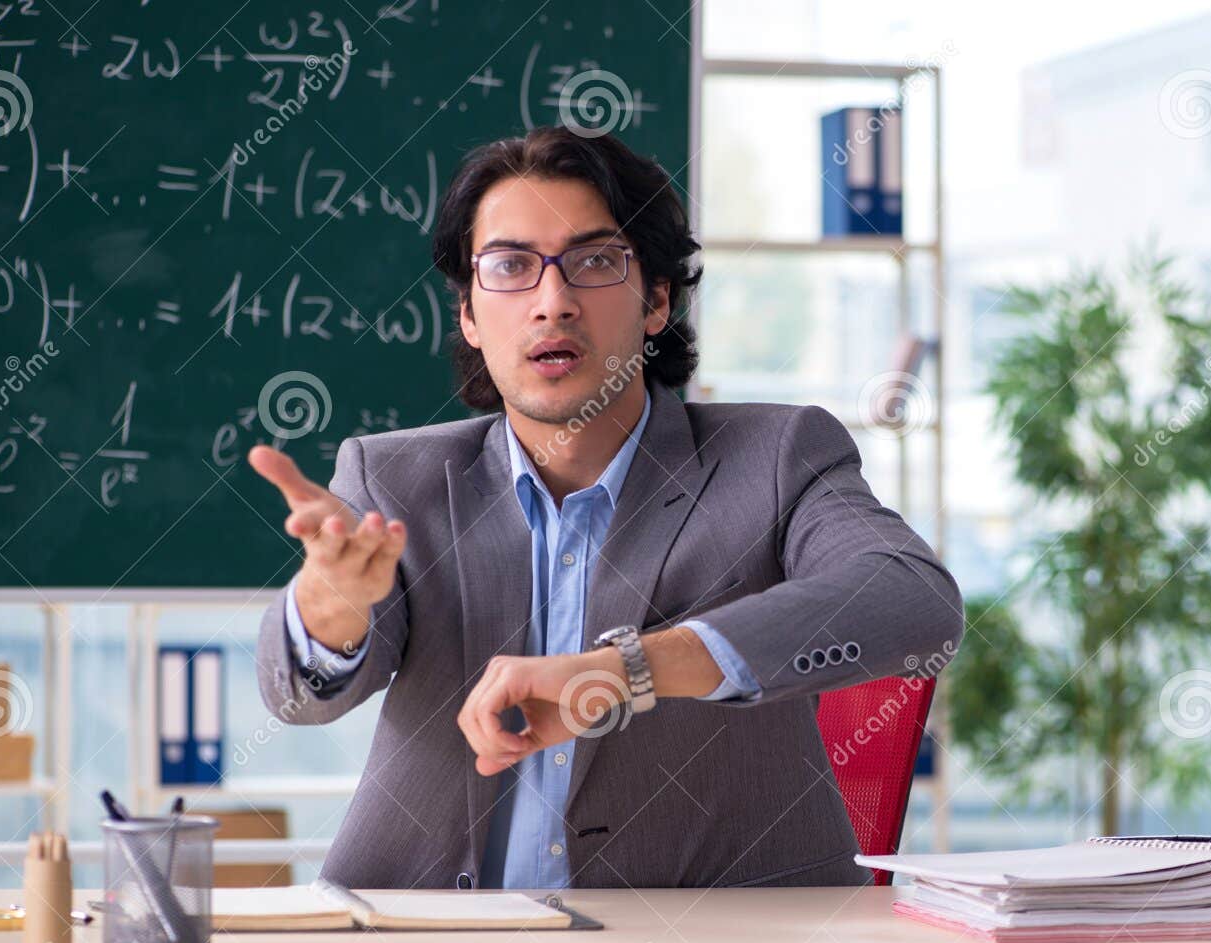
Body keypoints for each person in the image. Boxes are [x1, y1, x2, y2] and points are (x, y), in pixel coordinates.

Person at [249, 126, 963, 890]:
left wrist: (632, 670)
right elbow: (297, 702)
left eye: (593, 262)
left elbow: (913, 601)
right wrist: (329, 609)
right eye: (511, 267)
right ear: (467, 314)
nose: (551, 303)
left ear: (656, 300)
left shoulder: (779, 456)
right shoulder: (394, 480)